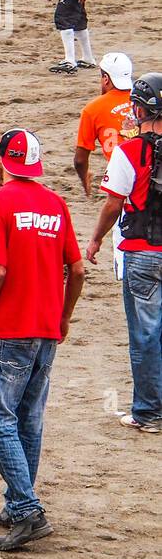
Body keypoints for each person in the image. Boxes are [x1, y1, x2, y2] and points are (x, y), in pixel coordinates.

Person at [0, 129, 84, 551]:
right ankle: (18, 500)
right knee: (28, 419)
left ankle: (28, 510)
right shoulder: (56, 203)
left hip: (11, 328)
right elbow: (79, 270)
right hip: (46, 327)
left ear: (2, 162)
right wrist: (64, 316)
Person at [87, 72, 162, 433]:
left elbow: (113, 204)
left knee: (145, 335)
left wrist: (96, 239)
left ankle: (148, 412)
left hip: (141, 253)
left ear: (139, 109)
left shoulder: (128, 152)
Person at [75, 53, 135, 202]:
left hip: (123, 178)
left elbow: (80, 161)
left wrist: (85, 181)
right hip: (152, 170)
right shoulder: (145, 99)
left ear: (106, 79)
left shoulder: (93, 109)